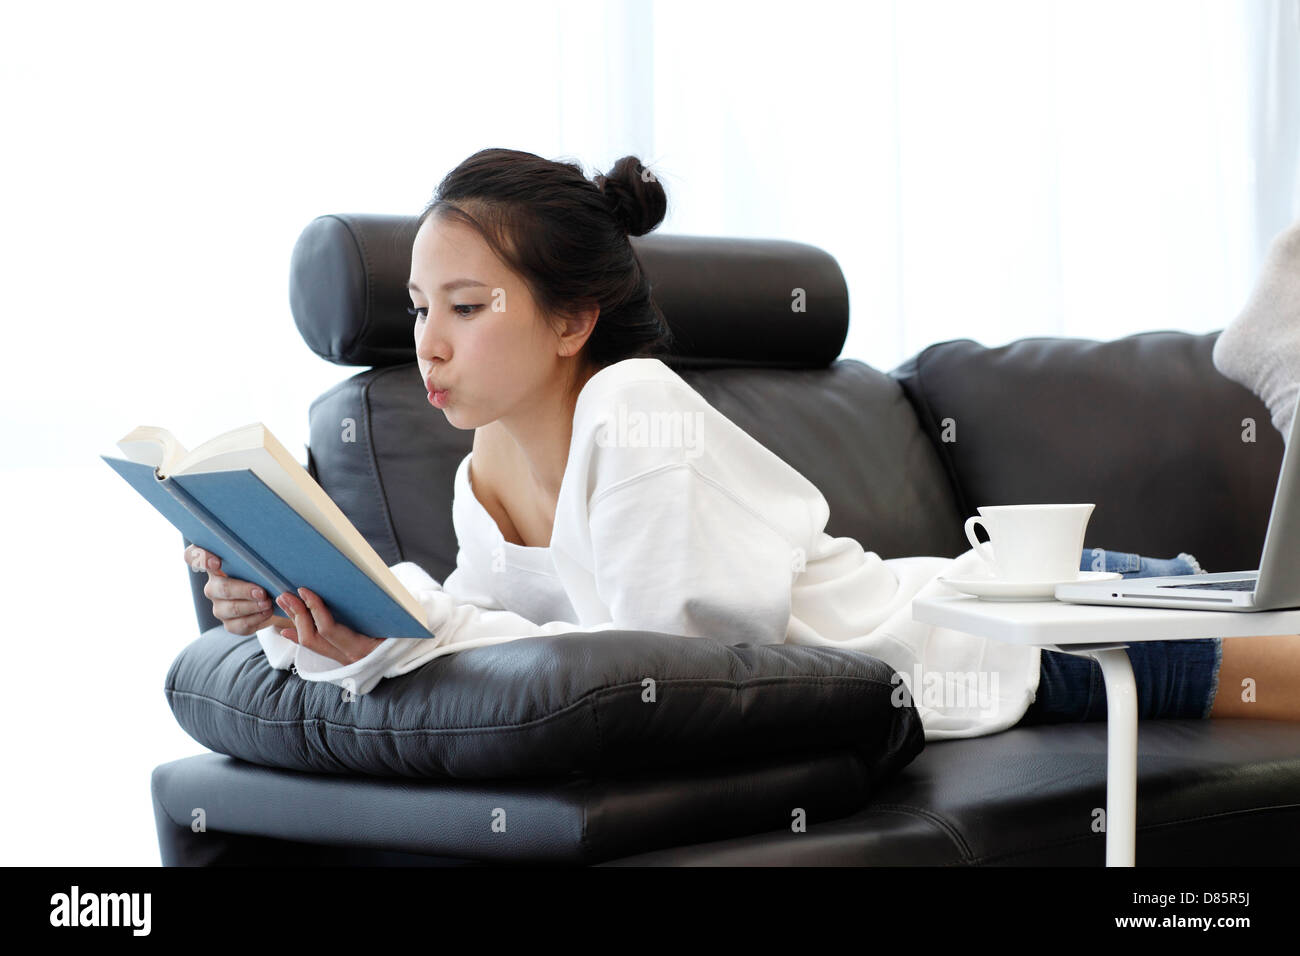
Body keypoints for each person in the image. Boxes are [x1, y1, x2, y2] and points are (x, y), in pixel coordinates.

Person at [186, 148, 1300, 738]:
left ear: (572, 320)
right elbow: (515, 669)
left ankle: (1284, 377)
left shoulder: (634, 410)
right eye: (419, 307)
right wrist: (332, 619)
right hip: (1013, 635)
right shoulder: (482, 478)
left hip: (1010, 635)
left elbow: (653, 668)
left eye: (467, 307)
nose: (427, 342)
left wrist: (410, 616)